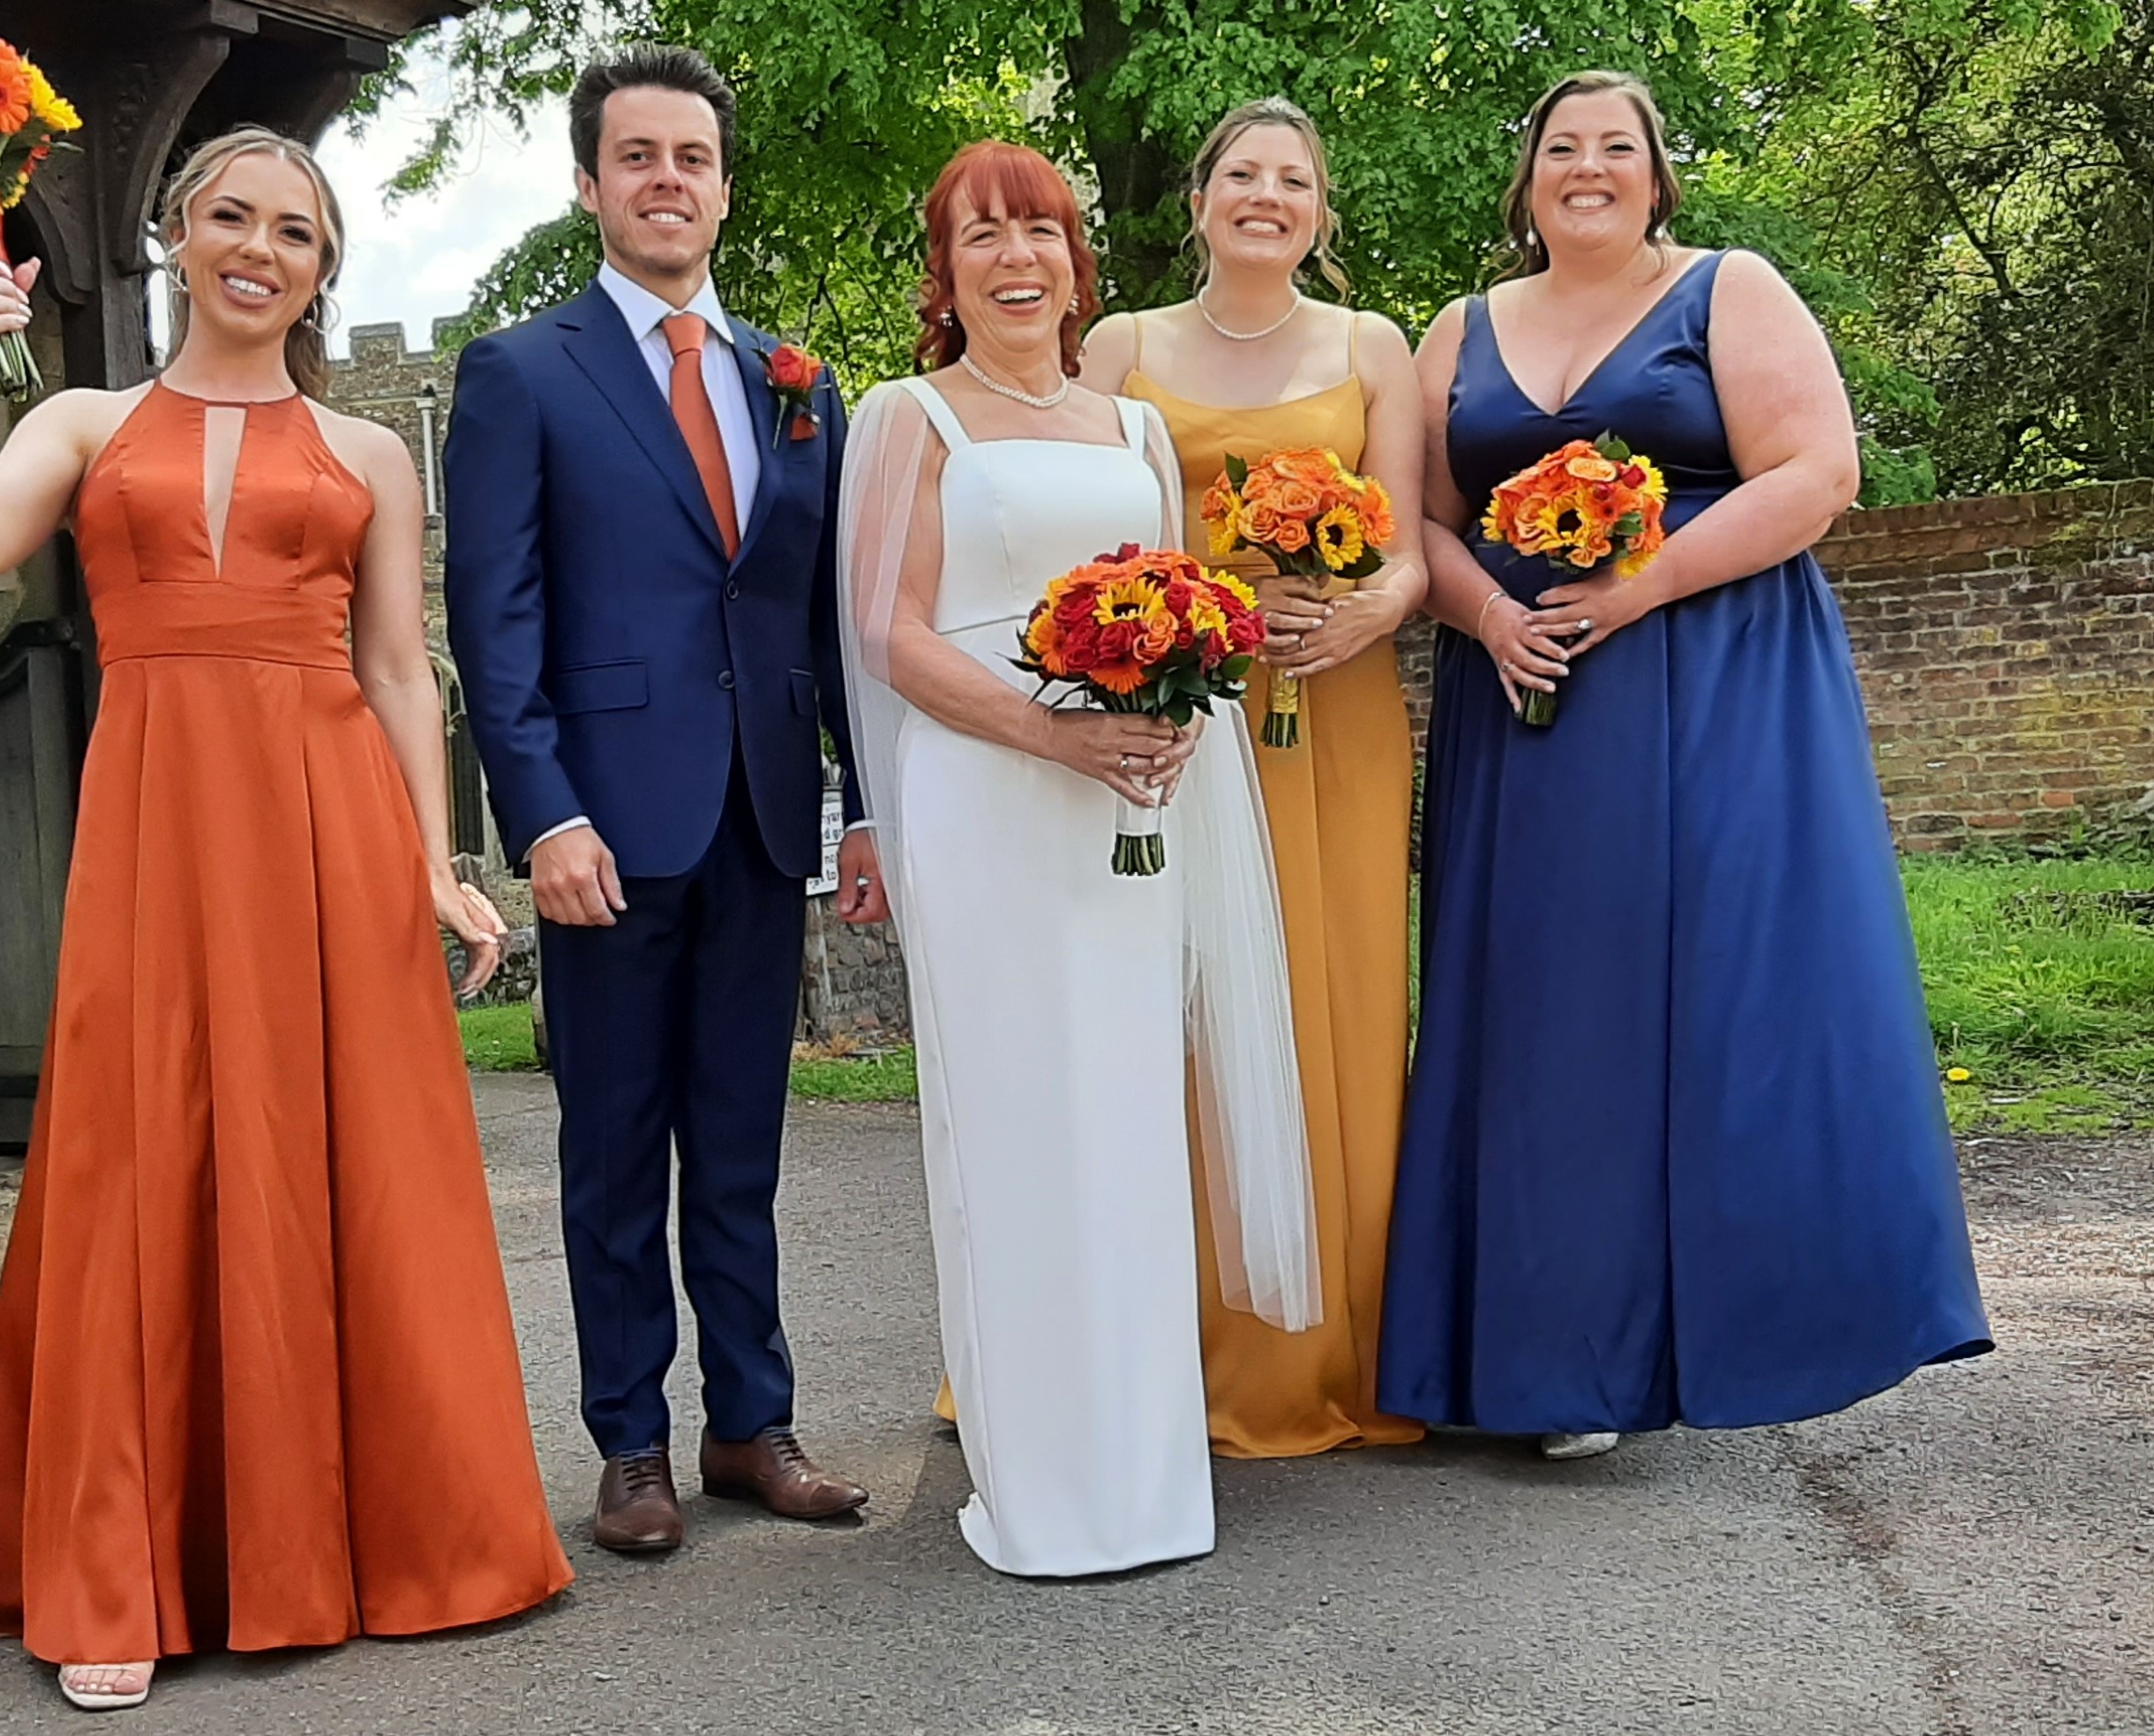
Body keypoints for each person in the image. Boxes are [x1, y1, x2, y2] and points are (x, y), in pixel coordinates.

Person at [0, 128, 570, 1712]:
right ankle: (119, 1574)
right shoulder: (82, 420)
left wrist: (434, 863)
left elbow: (401, 671)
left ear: (323, 267)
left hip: (328, 820)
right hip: (153, 817)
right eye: (229, 217)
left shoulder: (368, 456)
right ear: (175, 233)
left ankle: (372, 1546)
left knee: (335, 1161)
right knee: (137, 1161)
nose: (258, 248)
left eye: (294, 229)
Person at [1380, 72, 1991, 1461]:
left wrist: (1635, 587)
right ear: (1526, 180)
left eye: (1617, 149)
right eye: (1559, 148)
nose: (1586, 168)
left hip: (1711, 680)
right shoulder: (1459, 329)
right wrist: (1488, 616)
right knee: (1542, 1009)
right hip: (1524, 690)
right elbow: (1421, 517)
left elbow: (1815, 473)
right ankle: (1547, 1355)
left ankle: (1735, 1320)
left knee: (1721, 997)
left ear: (1658, 178)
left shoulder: (1732, 287)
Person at [836, 139, 1320, 1577]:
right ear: (948, 268)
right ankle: (1040, 1482)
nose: (1015, 260)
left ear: (1074, 258)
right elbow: (892, 633)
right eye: (980, 236)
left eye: (1037, 233)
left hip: (1132, 813)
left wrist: (1171, 729)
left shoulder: (1137, 432)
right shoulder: (909, 418)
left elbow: (1189, 614)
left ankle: (1147, 1476)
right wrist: (1054, 739)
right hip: (989, 798)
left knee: (1124, 1124)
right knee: (1015, 1125)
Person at [442, 45, 884, 1557]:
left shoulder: (794, 382)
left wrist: (865, 802)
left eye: (691, 158)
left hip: (764, 811)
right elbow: (493, 621)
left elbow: (817, 615)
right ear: (590, 184)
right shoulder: (521, 374)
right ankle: (629, 1442)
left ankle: (751, 1425)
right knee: (617, 1149)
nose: (667, 181)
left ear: (721, 185)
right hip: (605, 833)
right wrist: (543, 817)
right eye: (638, 157)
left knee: (743, 1146)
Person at [1080, 98, 1429, 1460]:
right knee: (1180, 1012)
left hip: (1334, 714)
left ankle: (1339, 1339)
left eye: (1294, 179)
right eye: (1243, 173)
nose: (1267, 195)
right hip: (1188, 710)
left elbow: (1409, 546)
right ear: (1203, 196)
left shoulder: (1373, 347)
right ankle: (1171, 1339)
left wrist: (1361, 612)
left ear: (1320, 213)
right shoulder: (1123, 347)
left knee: (1333, 997)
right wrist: (1190, 624)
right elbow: (1090, 529)